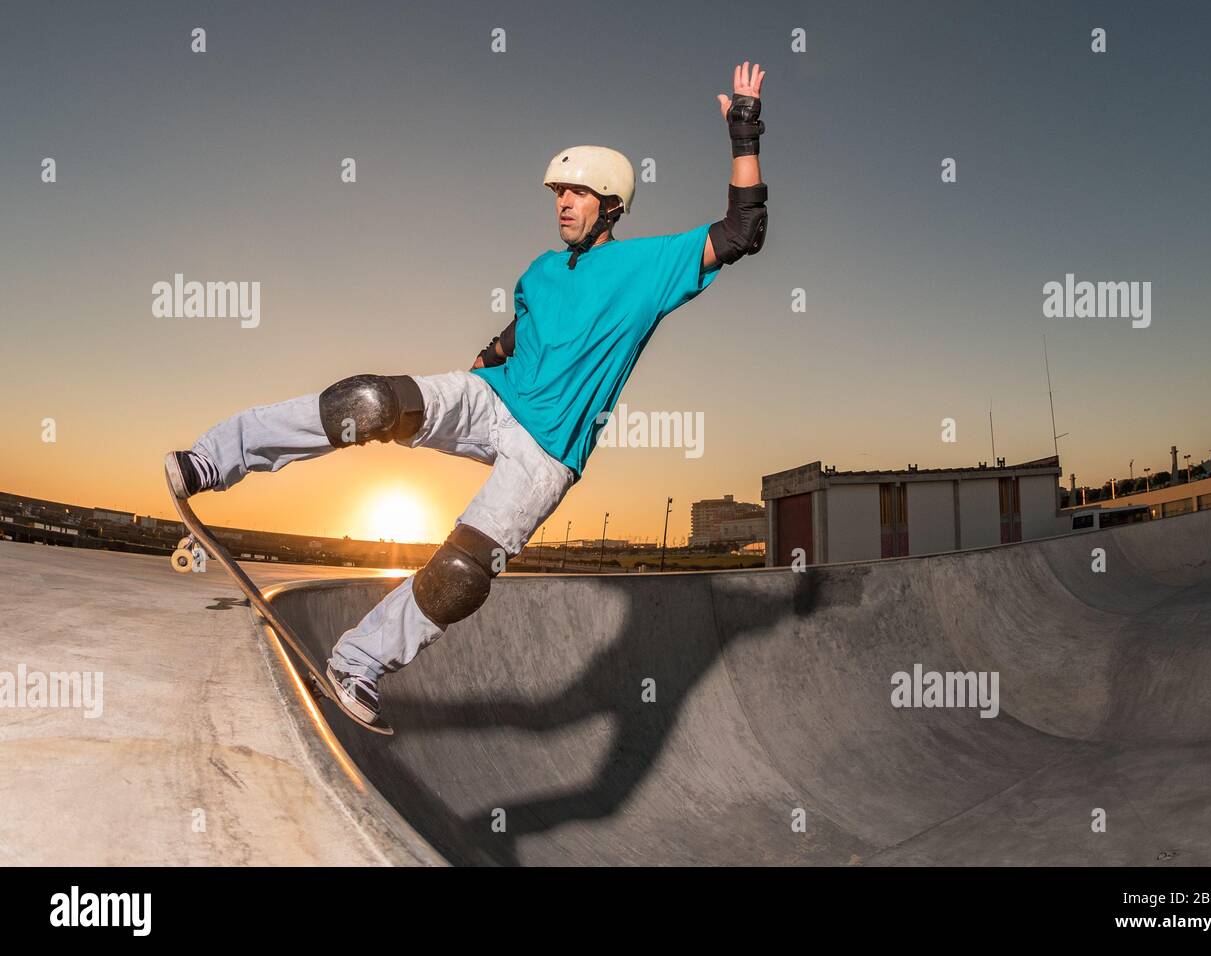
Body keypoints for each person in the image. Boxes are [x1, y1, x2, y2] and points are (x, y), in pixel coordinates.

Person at [164, 62, 769, 728]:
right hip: (494, 398)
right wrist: (487, 358)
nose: (562, 203)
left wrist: (743, 130)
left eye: (577, 193)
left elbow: (742, 232)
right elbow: (521, 328)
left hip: (547, 451)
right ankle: (213, 459)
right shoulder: (540, 269)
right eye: (557, 193)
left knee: (461, 574)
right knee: (367, 401)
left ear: (612, 204)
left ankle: (358, 662)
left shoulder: (648, 267)